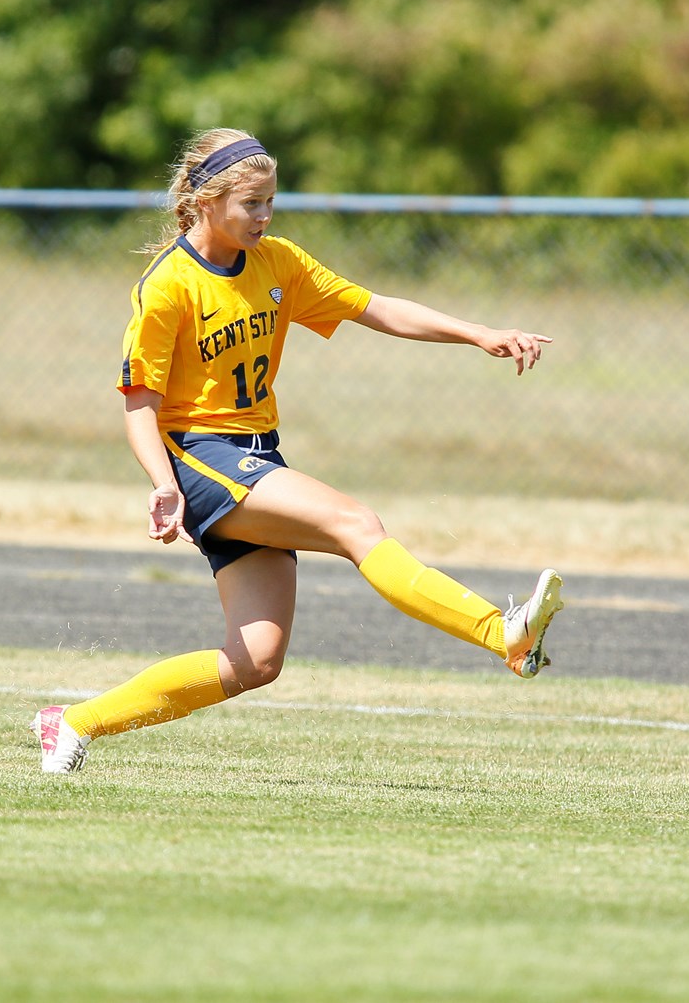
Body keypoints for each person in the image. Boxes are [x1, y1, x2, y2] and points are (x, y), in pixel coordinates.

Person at [32, 128, 565, 773]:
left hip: (258, 460)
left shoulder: (277, 262)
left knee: (255, 661)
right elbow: (138, 402)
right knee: (355, 524)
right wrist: (163, 483)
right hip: (202, 458)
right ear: (206, 199)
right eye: (252, 203)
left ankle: (72, 722)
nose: (264, 216)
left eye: (270, 202)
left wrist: (479, 333)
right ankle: (502, 634)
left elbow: (378, 309)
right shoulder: (169, 285)